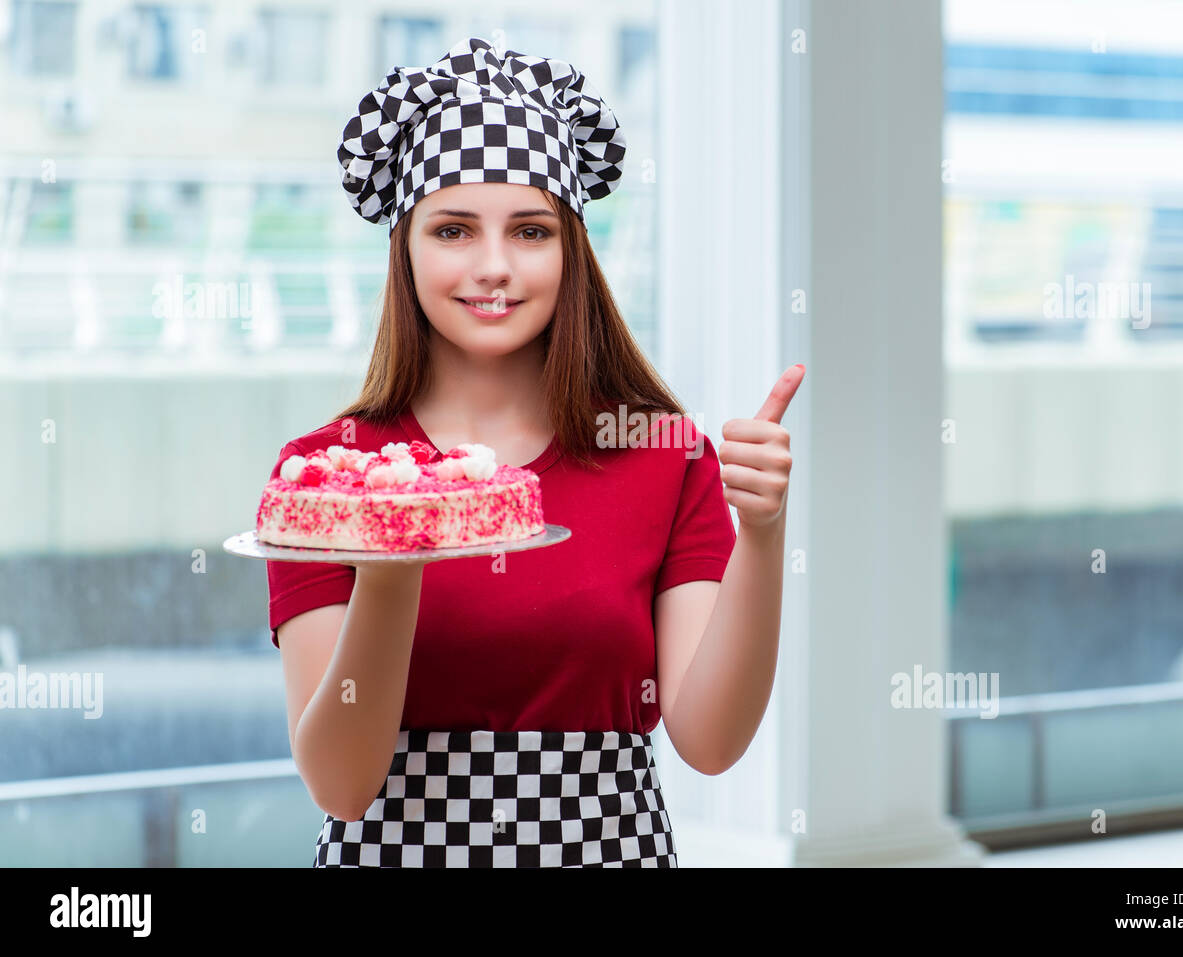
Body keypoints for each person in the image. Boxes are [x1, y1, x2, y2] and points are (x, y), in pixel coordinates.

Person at [265, 36, 804, 867]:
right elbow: (341, 785)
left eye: (529, 230)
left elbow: (710, 738)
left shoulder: (664, 454)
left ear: (571, 252)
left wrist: (762, 534)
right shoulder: (326, 477)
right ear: (404, 250)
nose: (493, 267)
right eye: (452, 229)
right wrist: (388, 561)